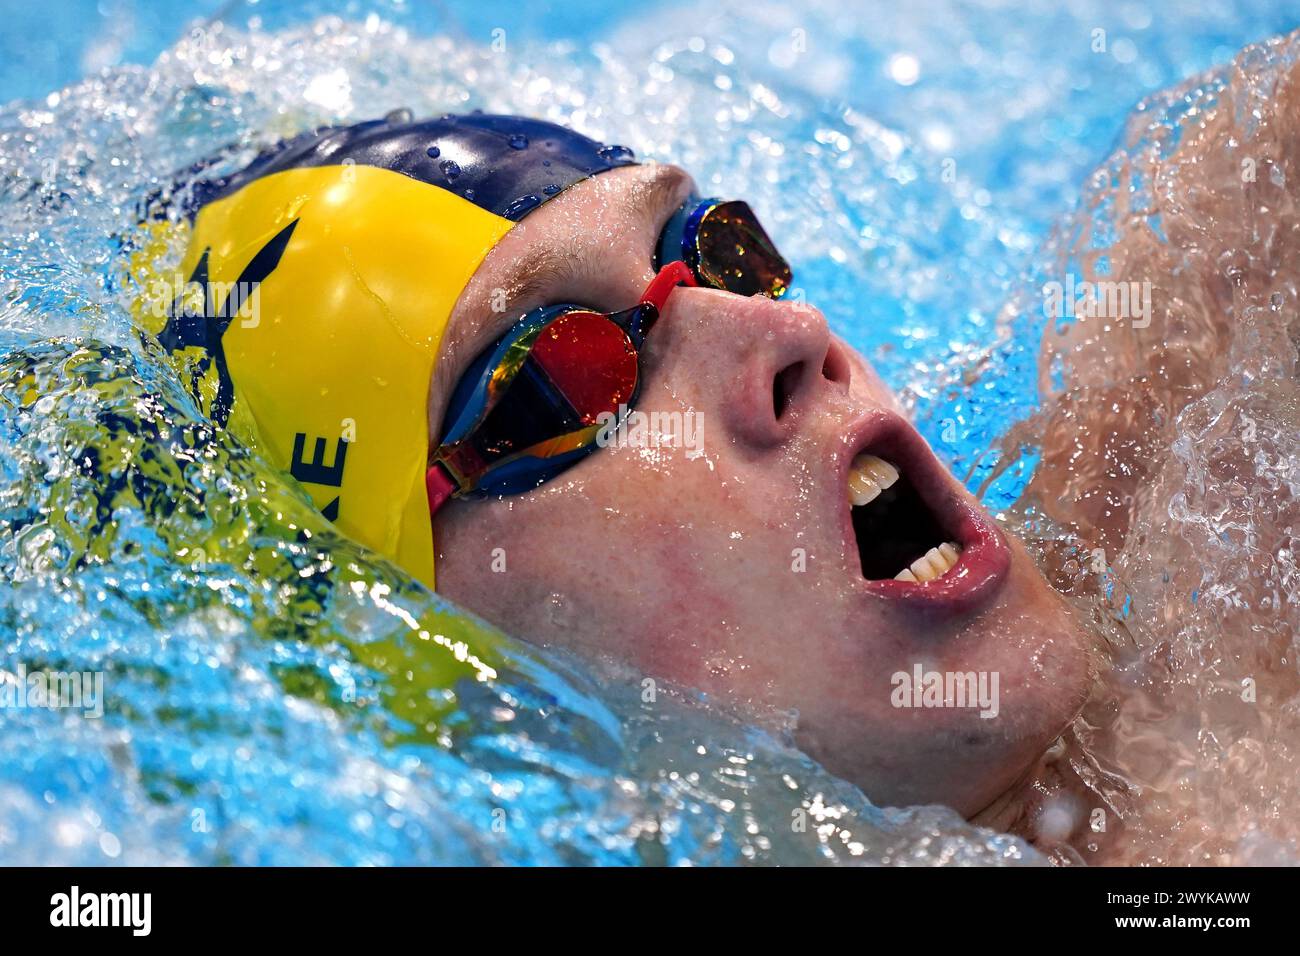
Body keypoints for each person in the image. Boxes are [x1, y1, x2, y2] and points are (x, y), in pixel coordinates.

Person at [143, 111, 1096, 825]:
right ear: (412, 632)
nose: (791, 330)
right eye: (563, 377)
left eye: (714, 252)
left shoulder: (1197, 519)